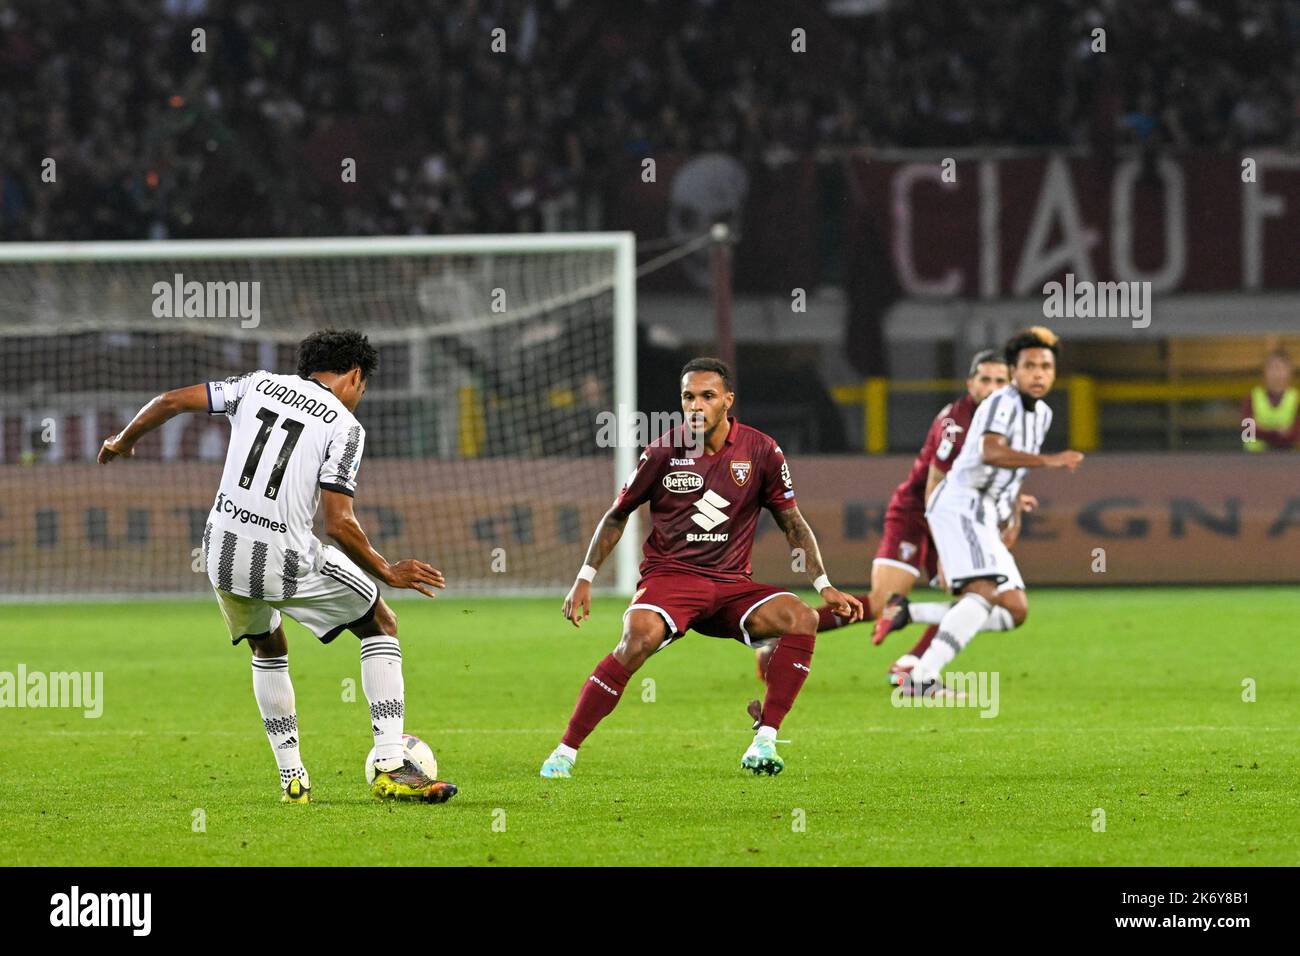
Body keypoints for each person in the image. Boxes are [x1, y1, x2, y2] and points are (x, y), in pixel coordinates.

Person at [97, 329, 456, 804]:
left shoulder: (256, 385)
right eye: (362, 388)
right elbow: (339, 523)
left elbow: (169, 401)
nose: (359, 399)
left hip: (219, 551)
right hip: (281, 555)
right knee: (380, 623)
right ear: (354, 376)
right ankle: (391, 762)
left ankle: (293, 779)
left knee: (267, 645)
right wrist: (387, 570)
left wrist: (122, 441)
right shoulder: (345, 427)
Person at [540, 357, 863, 778]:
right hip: (670, 580)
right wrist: (584, 578)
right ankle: (565, 751)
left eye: (706, 397)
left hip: (731, 586)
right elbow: (617, 515)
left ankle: (764, 740)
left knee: (801, 618)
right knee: (636, 640)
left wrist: (824, 584)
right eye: (687, 397)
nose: (695, 406)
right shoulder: (662, 451)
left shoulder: (762, 450)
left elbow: (792, 521)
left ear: (727, 401)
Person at [899, 327, 1083, 697]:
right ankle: (921, 677)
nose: (1038, 374)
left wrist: (1012, 515)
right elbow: (991, 451)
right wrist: (1050, 461)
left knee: (1014, 610)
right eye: (1029, 366)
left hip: (985, 510)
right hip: (961, 502)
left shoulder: (1043, 413)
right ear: (1015, 371)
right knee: (983, 590)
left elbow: (1012, 472)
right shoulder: (1002, 402)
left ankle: (906, 612)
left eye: (1046, 366)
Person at [1242, 350, 1299, 451]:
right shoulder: (1252, 397)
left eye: (1281, 368)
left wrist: (1262, 429)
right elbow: (1247, 433)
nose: (1276, 373)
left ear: (1290, 371)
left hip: (1289, 458)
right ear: (1264, 371)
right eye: (1272, 368)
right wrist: (1278, 432)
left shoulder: (1297, 399)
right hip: (1254, 459)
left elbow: (1296, 434)